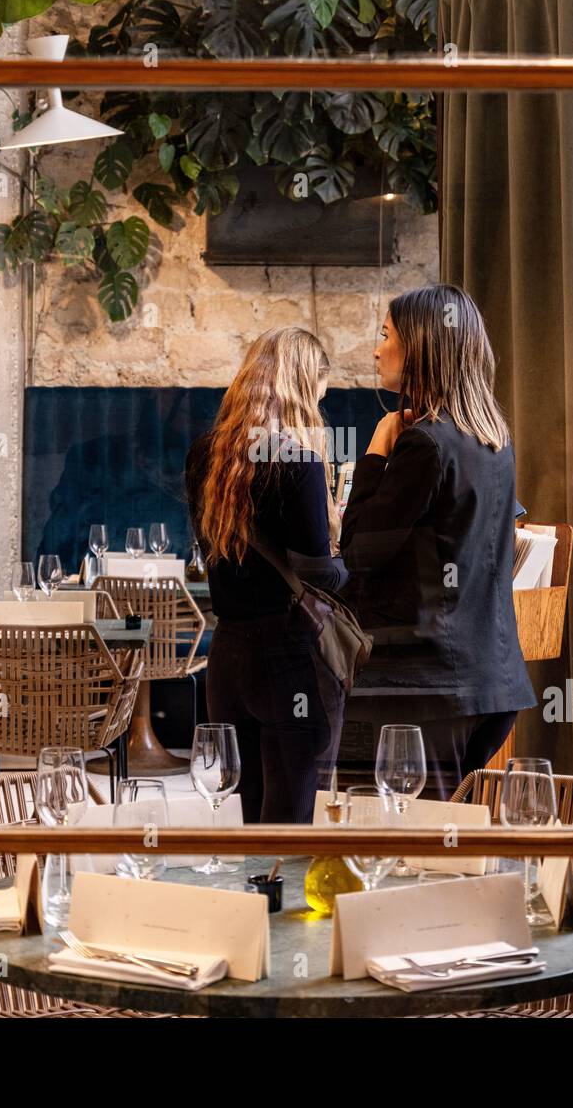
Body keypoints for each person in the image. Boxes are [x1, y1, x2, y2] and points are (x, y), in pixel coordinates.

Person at [340, 284, 536, 799]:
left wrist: (376, 454)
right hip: (492, 681)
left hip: (424, 689)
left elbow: (359, 553)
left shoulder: (422, 442)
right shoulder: (491, 437)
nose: (377, 348)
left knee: (404, 854)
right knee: (439, 850)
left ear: (423, 348)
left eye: (387, 336)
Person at [185, 328, 349, 823]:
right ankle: (282, 902)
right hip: (288, 662)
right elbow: (317, 573)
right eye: (318, 393)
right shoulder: (298, 461)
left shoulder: (204, 455)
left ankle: (250, 903)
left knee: (249, 825)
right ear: (301, 387)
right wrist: (355, 557)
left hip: (227, 660)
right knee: (290, 826)